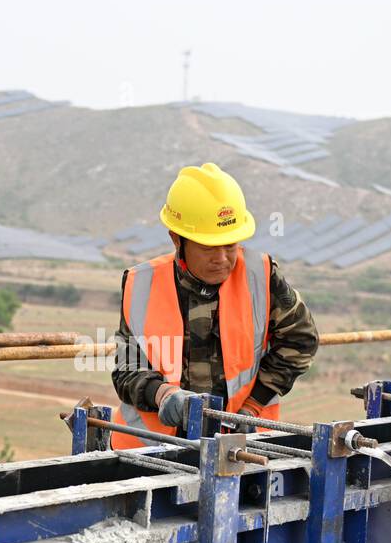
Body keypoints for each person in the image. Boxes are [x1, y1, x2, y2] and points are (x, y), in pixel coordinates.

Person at [110, 162, 318, 447]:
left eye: (230, 245)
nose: (222, 258)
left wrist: (253, 407)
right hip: (153, 449)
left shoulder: (261, 276)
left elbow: (301, 340)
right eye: (209, 247)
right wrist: (161, 395)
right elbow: (127, 367)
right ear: (177, 239)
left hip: (239, 447)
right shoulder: (143, 283)